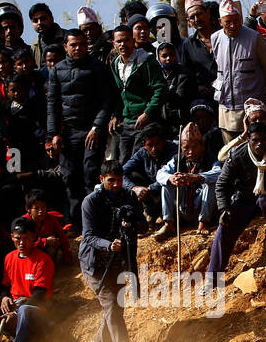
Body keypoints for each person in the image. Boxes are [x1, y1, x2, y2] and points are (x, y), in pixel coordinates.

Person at [206, 121, 266, 289]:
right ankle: (212, 279)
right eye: (255, 140)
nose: (260, 144)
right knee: (224, 229)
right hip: (245, 199)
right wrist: (224, 209)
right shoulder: (237, 155)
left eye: (263, 140)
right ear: (248, 139)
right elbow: (222, 184)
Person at [46, 26, 117, 230]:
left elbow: (107, 101)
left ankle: (94, 222)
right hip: (68, 132)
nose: (78, 48)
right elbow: (52, 104)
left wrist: (97, 127)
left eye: (82, 44)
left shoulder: (98, 68)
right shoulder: (57, 70)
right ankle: (76, 223)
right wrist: (54, 134)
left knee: (91, 173)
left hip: (92, 131)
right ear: (65, 47)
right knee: (69, 176)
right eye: (73, 45)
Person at [79, 161, 147, 342]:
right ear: (102, 180)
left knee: (114, 310)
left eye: (119, 180)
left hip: (119, 262)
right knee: (111, 306)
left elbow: (143, 225)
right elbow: (88, 237)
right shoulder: (91, 202)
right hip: (95, 264)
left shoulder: (129, 197)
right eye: (111, 181)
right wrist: (109, 245)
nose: (117, 185)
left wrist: (132, 224)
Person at [213, 0, 266, 141]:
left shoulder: (254, 37)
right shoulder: (215, 38)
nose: (233, 25)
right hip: (226, 107)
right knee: (230, 151)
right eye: (228, 22)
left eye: (236, 20)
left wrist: (261, 92)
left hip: (251, 106)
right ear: (220, 22)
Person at [110, 23, 166, 163]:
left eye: (126, 40)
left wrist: (147, 113)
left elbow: (160, 88)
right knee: (123, 160)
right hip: (127, 121)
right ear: (114, 43)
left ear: (133, 40)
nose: (123, 44)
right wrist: (116, 115)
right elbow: (118, 92)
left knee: (139, 160)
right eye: (119, 41)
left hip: (145, 120)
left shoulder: (146, 60)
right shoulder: (116, 63)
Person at [154, 122, 221, 238]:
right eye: (186, 148)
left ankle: (203, 223)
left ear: (202, 145)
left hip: (201, 205)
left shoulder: (210, 158)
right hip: (183, 207)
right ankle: (169, 224)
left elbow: (219, 173)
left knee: (211, 184)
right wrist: (171, 178)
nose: (190, 151)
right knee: (166, 184)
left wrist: (196, 177)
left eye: (194, 147)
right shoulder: (178, 160)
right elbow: (160, 173)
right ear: (181, 148)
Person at [123, 124, 176, 221]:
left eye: (157, 143)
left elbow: (174, 175)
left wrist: (149, 189)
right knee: (133, 176)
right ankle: (147, 212)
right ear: (144, 144)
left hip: (169, 191)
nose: (154, 149)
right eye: (150, 145)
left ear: (164, 141)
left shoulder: (173, 151)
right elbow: (121, 172)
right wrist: (134, 188)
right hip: (149, 192)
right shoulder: (142, 153)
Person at [24, 188, 73, 265]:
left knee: (53, 244)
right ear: (28, 209)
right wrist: (45, 241)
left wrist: (67, 255)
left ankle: (49, 265)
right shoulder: (24, 222)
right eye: (36, 208)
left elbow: (62, 237)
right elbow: (23, 244)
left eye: (43, 207)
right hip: (31, 251)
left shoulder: (51, 219)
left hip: (46, 249)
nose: (40, 211)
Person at [181, 0, 219, 92]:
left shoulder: (225, 37)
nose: (197, 19)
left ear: (208, 13)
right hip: (203, 98)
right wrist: (197, 88)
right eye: (192, 17)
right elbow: (186, 74)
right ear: (189, 21)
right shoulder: (188, 44)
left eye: (199, 14)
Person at [28, 3, 66, 69]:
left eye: (43, 19)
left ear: (51, 18)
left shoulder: (67, 37)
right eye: (35, 21)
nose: (39, 23)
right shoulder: (34, 47)